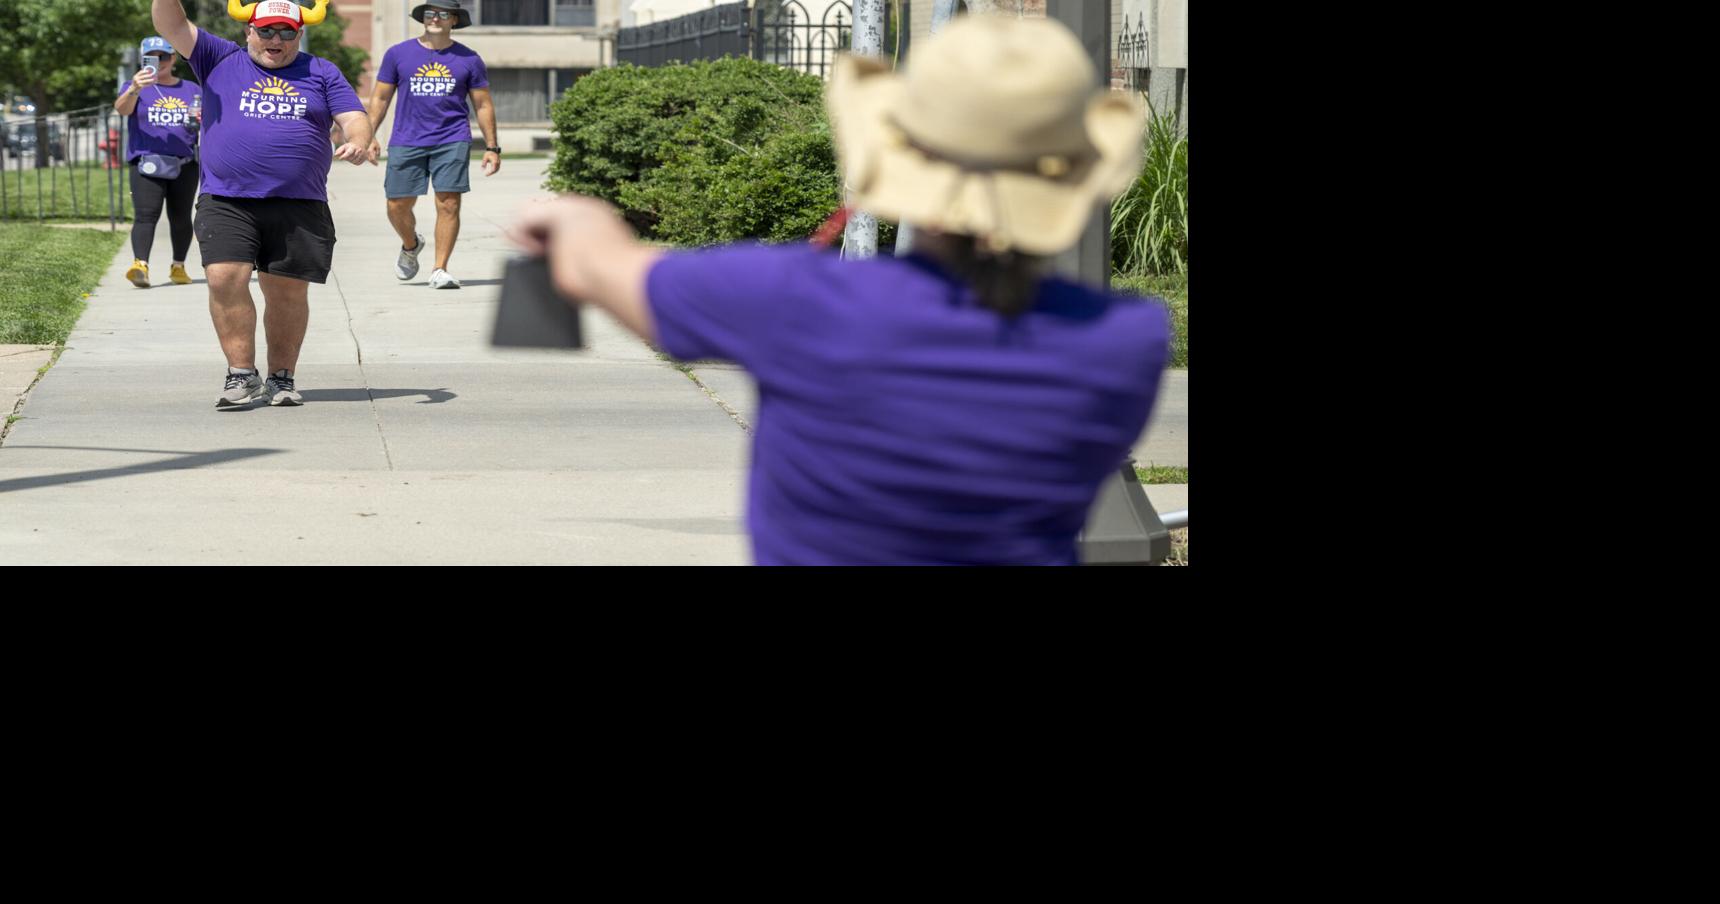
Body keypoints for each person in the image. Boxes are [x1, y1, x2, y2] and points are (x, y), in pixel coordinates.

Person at [510, 16, 1172, 565]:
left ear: (898, 157)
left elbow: (598, 268)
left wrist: (576, 217)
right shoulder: (1128, 340)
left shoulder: (794, 303)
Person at [151, 0, 376, 409]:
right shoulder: (218, 57)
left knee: (287, 293)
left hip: (299, 202)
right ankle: (241, 375)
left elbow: (353, 116)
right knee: (223, 278)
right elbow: (171, 22)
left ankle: (281, 379)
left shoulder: (321, 71)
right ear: (248, 32)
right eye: (267, 30)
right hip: (227, 199)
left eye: (287, 32)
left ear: (299, 35)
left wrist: (358, 140)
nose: (276, 40)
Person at [366, 0, 498, 290]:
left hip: (451, 138)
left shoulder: (469, 59)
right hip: (406, 139)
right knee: (396, 205)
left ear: (454, 20)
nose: (434, 18)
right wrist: (368, 135)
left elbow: (483, 104)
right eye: (429, 13)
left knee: (448, 203)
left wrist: (492, 146)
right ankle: (411, 244)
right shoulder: (398, 54)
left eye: (441, 14)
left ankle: (440, 269)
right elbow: (380, 98)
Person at [114, 36, 201, 289]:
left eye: (163, 57)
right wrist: (135, 88)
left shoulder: (192, 89)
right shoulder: (134, 85)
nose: (159, 62)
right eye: (151, 57)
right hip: (146, 163)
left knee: (181, 216)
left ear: (173, 59)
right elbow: (122, 110)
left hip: (185, 162)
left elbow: (204, 121)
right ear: (143, 61)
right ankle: (140, 265)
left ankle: (178, 266)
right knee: (145, 215)